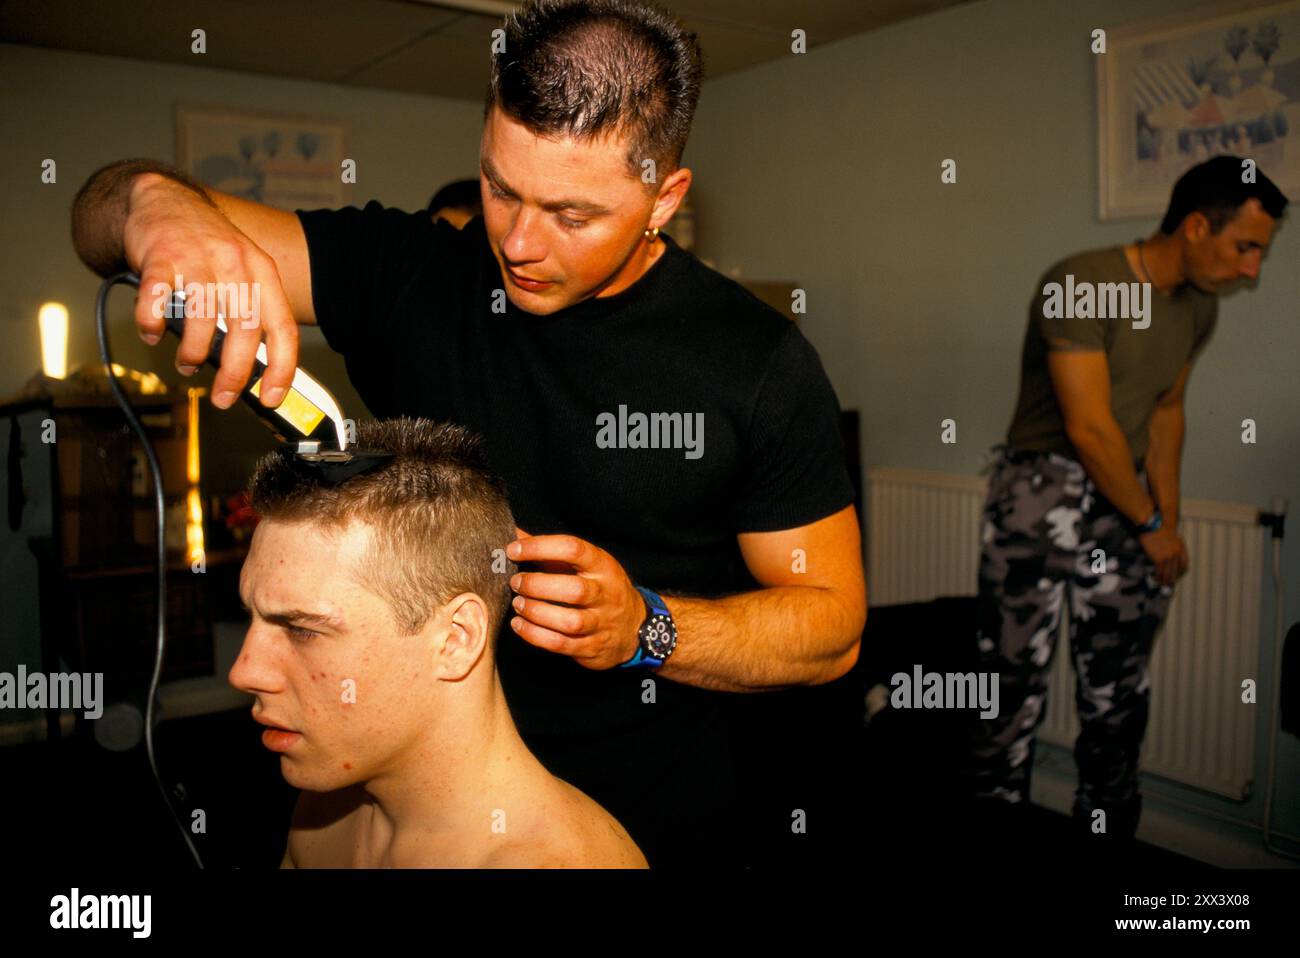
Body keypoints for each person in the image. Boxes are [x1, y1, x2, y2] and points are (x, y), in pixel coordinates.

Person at [70, 0, 865, 868]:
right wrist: (159, 208)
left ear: (662, 199)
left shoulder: (755, 363)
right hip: (410, 800)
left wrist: (648, 627)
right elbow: (99, 217)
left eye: (571, 216)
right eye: (499, 187)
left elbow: (832, 626)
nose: (518, 242)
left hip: (646, 813)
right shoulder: (410, 274)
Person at [973, 155, 1288, 841]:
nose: (1251, 269)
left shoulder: (1198, 305)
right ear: (1197, 226)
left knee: (1116, 697)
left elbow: (1168, 412)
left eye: (1260, 254)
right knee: (1009, 689)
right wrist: (1150, 523)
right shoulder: (1082, 282)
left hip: (1127, 501)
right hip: (1041, 494)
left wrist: (1166, 519)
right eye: (1245, 247)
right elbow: (1089, 428)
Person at [230, 417, 646, 868]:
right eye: (252, 619)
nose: (244, 672)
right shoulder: (324, 812)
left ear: (456, 638)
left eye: (302, 630)